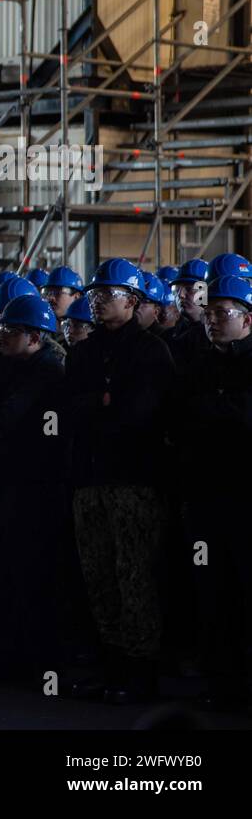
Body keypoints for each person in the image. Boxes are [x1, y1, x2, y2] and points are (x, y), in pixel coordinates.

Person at [64, 258, 175, 703]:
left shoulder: (151, 352)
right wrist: (102, 402)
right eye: (93, 296)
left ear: (131, 301)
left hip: (134, 479)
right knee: (98, 576)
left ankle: (140, 673)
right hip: (90, 478)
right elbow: (68, 411)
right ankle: (111, 667)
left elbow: (138, 415)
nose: (96, 302)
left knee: (135, 577)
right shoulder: (84, 352)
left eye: (106, 295)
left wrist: (100, 408)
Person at [0, 294, 66, 683]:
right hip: (1, 484)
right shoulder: (3, 365)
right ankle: (8, 658)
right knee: (0, 574)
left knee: (30, 577)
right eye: (1, 328)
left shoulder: (48, 372)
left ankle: (34, 661)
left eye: (12, 330)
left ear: (36, 337)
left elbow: (3, 417)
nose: (1, 336)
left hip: (33, 489)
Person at [169, 276, 252, 710]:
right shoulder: (198, 363)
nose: (213, 321)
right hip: (203, 500)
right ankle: (222, 683)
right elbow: (177, 419)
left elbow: (242, 419)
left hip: (245, 500)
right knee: (212, 592)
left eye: (224, 314)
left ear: (249, 319)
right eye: (211, 312)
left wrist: (213, 409)